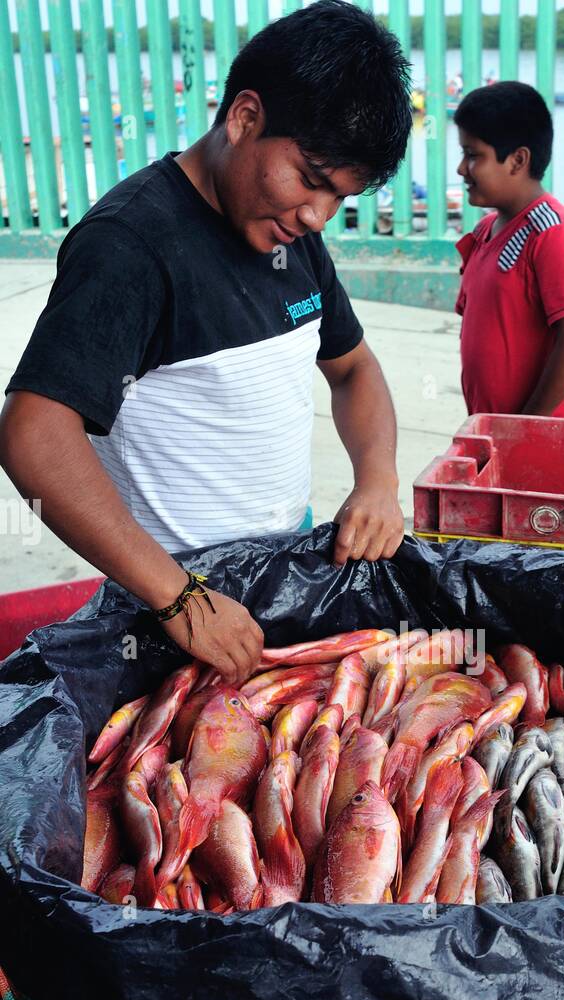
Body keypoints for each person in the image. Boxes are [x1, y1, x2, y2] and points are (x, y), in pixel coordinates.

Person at [0, 1, 411, 687]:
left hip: (280, 575)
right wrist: (178, 597)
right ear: (243, 117)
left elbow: (355, 370)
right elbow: (34, 434)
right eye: (310, 179)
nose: (316, 214)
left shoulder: (293, 239)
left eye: (339, 196)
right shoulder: (130, 247)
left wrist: (377, 479)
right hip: (168, 613)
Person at [454, 82, 564, 421]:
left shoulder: (554, 233)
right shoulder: (484, 231)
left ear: (518, 160)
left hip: (554, 436)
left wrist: (526, 426)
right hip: (498, 431)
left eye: (473, 155)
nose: (462, 168)